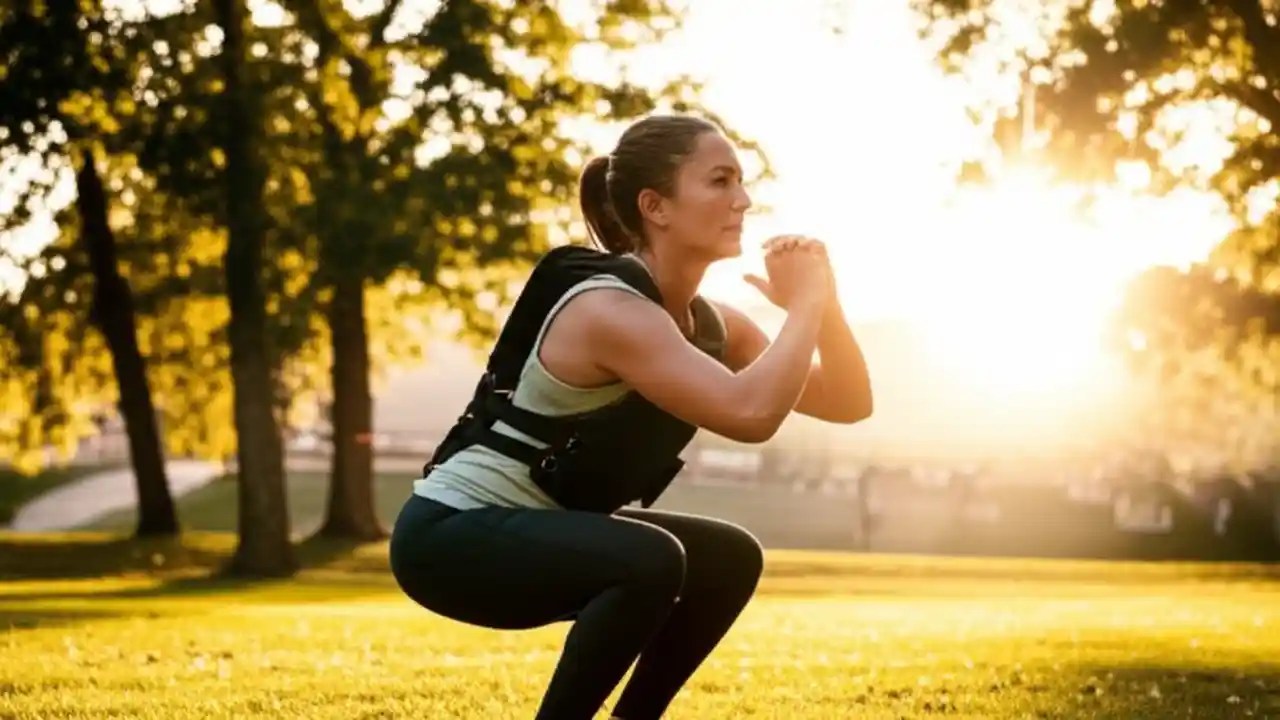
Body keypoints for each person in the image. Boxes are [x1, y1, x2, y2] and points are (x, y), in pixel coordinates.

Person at [388, 114, 873, 720]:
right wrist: (803, 304)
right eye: (720, 181)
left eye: (741, 182)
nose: (743, 200)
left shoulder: (712, 325)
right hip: (451, 538)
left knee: (727, 559)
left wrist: (824, 307)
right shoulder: (610, 310)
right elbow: (751, 414)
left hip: (534, 528)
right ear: (656, 206)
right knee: (652, 559)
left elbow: (848, 403)